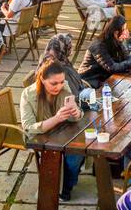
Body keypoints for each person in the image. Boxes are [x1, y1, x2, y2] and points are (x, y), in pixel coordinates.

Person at [20, 59, 84, 200]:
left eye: (61, 82)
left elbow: (77, 115)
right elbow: (28, 127)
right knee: (71, 154)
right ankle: (64, 187)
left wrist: (76, 113)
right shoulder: (28, 94)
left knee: (79, 151)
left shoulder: (64, 87)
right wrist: (56, 118)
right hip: (40, 136)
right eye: (54, 83)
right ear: (42, 79)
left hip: (63, 131)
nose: (59, 86)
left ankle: (67, 184)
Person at [78, 14, 131, 89]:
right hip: (90, 81)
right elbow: (112, 67)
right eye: (124, 30)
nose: (126, 32)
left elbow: (125, 57)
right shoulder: (99, 45)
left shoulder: (115, 40)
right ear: (115, 32)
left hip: (104, 78)